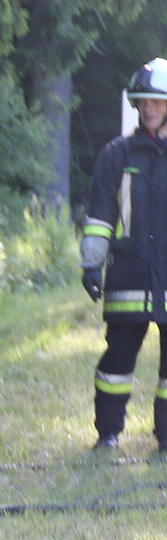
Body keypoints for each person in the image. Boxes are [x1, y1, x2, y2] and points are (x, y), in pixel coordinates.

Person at [80, 58, 167, 450]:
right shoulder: (116, 155)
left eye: (157, 102)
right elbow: (100, 214)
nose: (148, 109)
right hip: (129, 276)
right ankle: (109, 433)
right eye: (142, 102)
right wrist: (91, 264)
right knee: (117, 361)